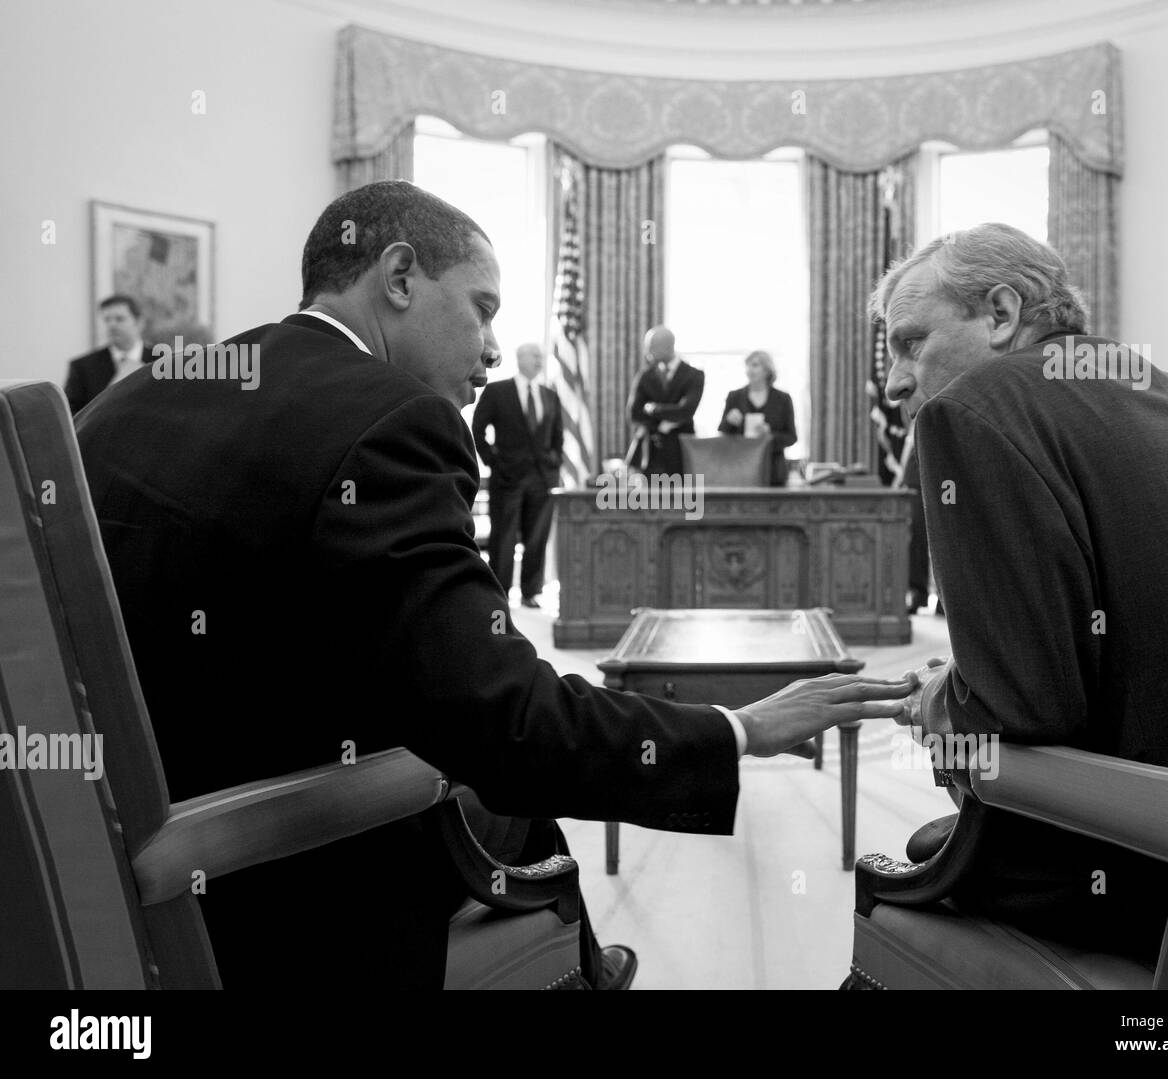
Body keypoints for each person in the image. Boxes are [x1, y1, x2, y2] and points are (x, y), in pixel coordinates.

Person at [74, 180, 912, 990]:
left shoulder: (122, 401)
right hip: (279, 890)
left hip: (99, 870)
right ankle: (583, 971)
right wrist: (738, 729)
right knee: (503, 798)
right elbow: (506, 722)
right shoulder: (390, 421)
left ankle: (586, 969)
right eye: (482, 309)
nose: (489, 352)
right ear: (399, 277)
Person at [874, 223, 1168, 962]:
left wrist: (937, 698)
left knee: (902, 861)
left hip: (1141, 866)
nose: (895, 382)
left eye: (909, 342)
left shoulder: (971, 410)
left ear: (1000, 313)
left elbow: (1019, 710)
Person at [471, 342, 562, 608]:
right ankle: (499, 592)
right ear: (520, 359)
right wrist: (494, 462)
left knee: (537, 537)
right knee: (504, 537)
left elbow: (558, 436)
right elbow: (477, 429)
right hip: (507, 478)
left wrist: (553, 463)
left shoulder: (550, 395)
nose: (539, 360)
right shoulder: (498, 391)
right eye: (535, 356)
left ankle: (531, 592)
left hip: (543, 479)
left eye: (541, 356)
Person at [626, 325, 704, 477]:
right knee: (649, 500)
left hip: (681, 453)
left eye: (650, 347)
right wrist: (669, 416)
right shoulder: (645, 376)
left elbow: (686, 411)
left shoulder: (694, 376)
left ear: (667, 347)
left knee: (682, 499)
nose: (646, 352)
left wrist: (653, 409)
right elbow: (634, 414)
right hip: (651, 455)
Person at [717, 350, 797, 486]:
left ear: (767, 370)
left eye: (755, 365)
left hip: (773, 468)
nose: (749, 370)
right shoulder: (734, 397)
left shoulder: (783, 399)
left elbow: (791, 437)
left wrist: (769, 435)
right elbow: (723, 431)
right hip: (741, 465)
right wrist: (729, 422)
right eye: (747, 366)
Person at [64, 294, 148, 413]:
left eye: (119, 319)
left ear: (139, 322)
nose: (112, 325)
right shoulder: (82, 367)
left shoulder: (165, 361)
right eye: (107, 320)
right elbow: (71, 416)